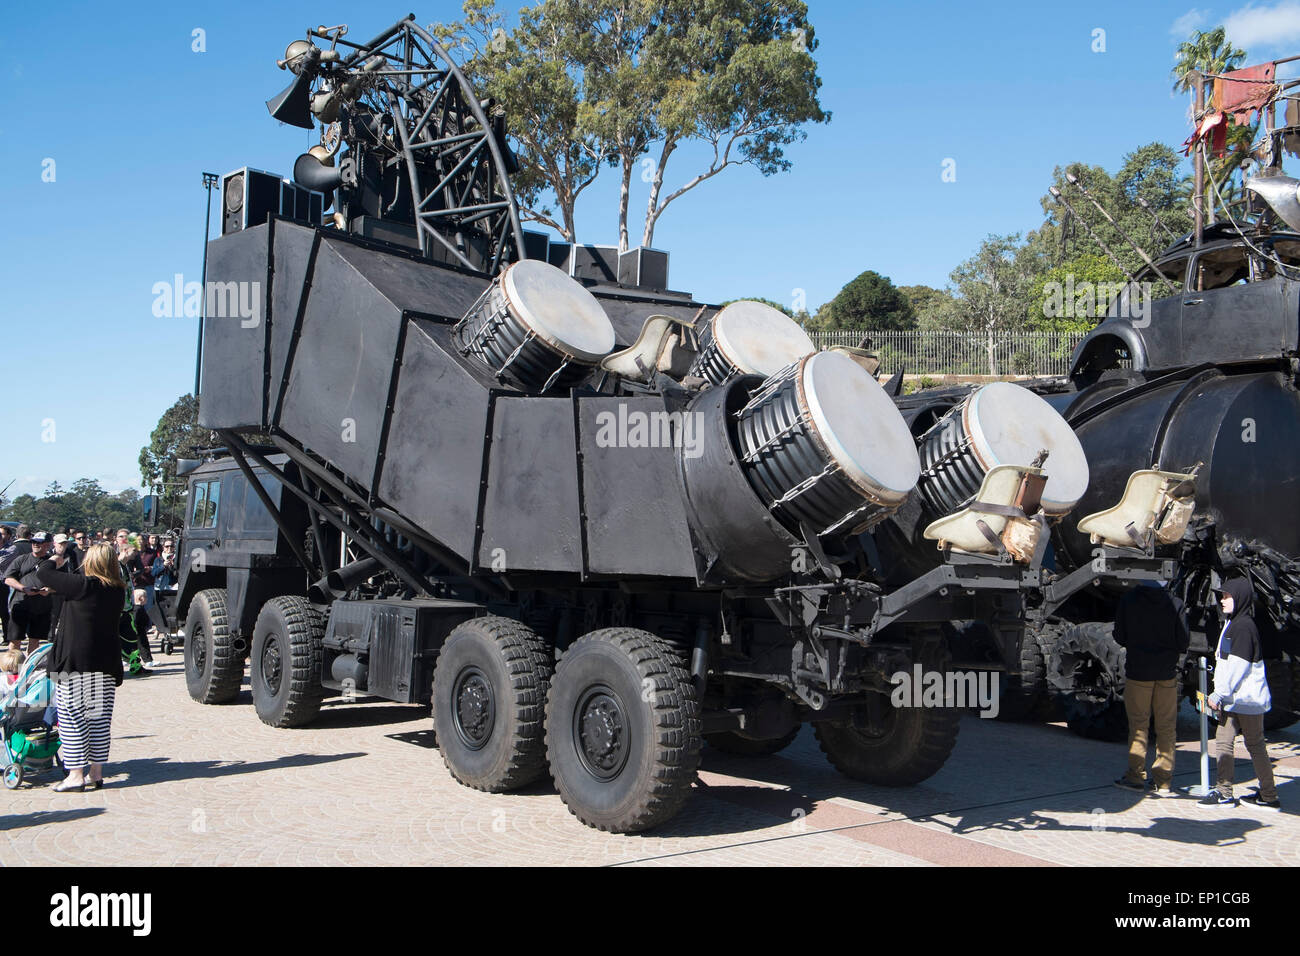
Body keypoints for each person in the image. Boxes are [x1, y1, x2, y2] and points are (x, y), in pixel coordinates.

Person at [36, 542, 125, 792]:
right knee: (99, 720)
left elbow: (43, 572)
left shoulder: (84, 585)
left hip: (76, 664)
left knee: (72, 718)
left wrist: (57, 558)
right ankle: (96, 773)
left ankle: (75, 775)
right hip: (105, 663)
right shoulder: (117, 589)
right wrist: (55, 590)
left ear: (91, 561)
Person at [1202, 576, 1280, 809]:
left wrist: (1218, 693)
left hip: (1245, 700)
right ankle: (1224, 792)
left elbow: (1238, 665)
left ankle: (1269, 796)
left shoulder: (1243, 627)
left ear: (1241, 599)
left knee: (1254, 744)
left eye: (1227, 596)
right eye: (1222, 596)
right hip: (1234, 700)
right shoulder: (1233, 623)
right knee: (1224, 742)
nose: (1222, 600)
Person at [1112, 579, 1191, 796]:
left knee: (1138, 726)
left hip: (1138, 672)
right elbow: (1184, 641)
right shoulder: (1175, 603)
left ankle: (1135, 776)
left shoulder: (1129, 600)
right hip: (1167, 673)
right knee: (1166, 728)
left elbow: (1119, 635)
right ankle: (1163, 780)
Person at [4, 532, 55, 654]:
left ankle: (29, 670)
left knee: (35, 640)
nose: (35, 545)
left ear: (48, 545)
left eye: (39, 542)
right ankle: (13, 670)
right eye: (34, 542)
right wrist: (23, 588)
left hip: (42, 607)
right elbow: (8, 579)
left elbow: (63, 583)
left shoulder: (52, 562)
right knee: (15, 640)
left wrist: (49, 590)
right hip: (21, 604)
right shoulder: (22, 559)